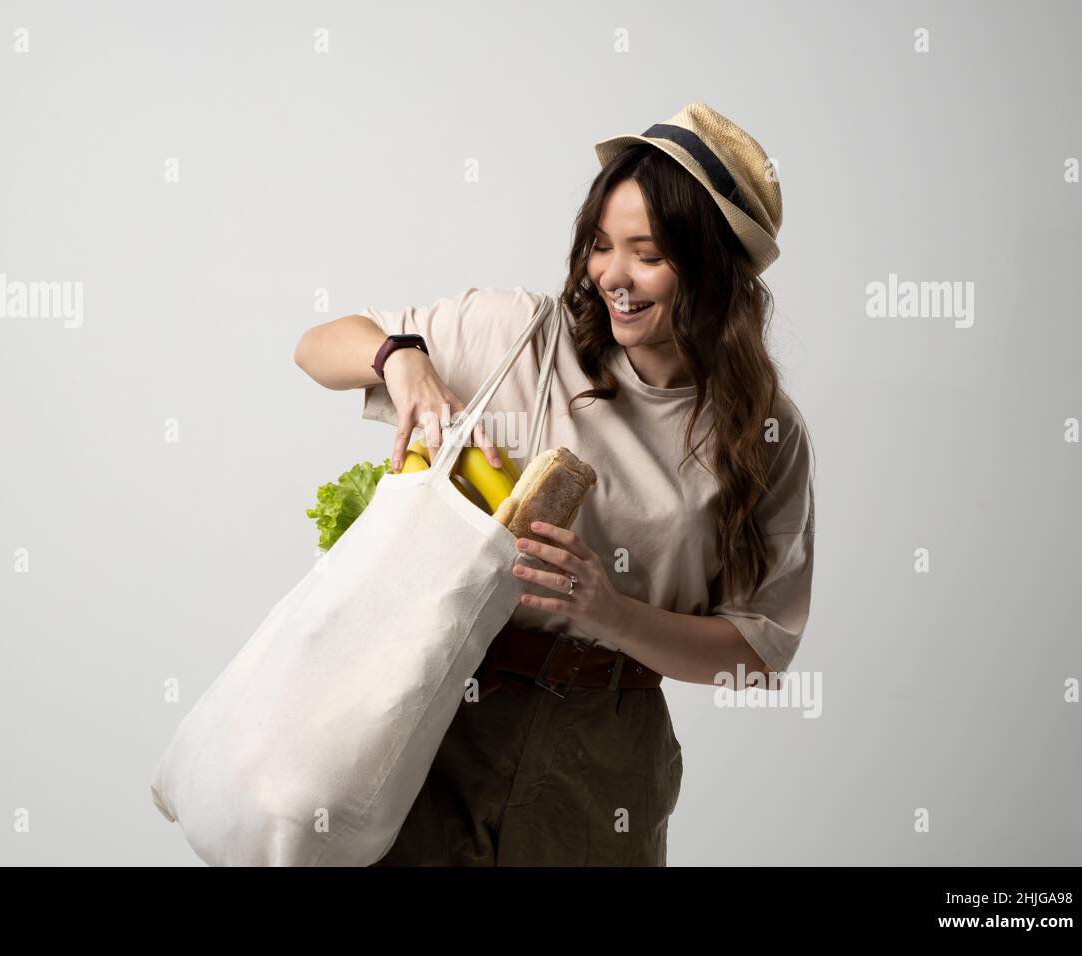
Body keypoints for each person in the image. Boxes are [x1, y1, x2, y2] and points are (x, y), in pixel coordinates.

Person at [292, 103, 815, 866]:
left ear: (713, 264)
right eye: (601, 245)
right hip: (438, 718)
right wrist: (400, 359)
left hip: (602, 756)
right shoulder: (519, 337)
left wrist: (608, 611)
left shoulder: (763, 435)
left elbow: (758, 656)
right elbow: (315, 347)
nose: (613, 276)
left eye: (648, 254)